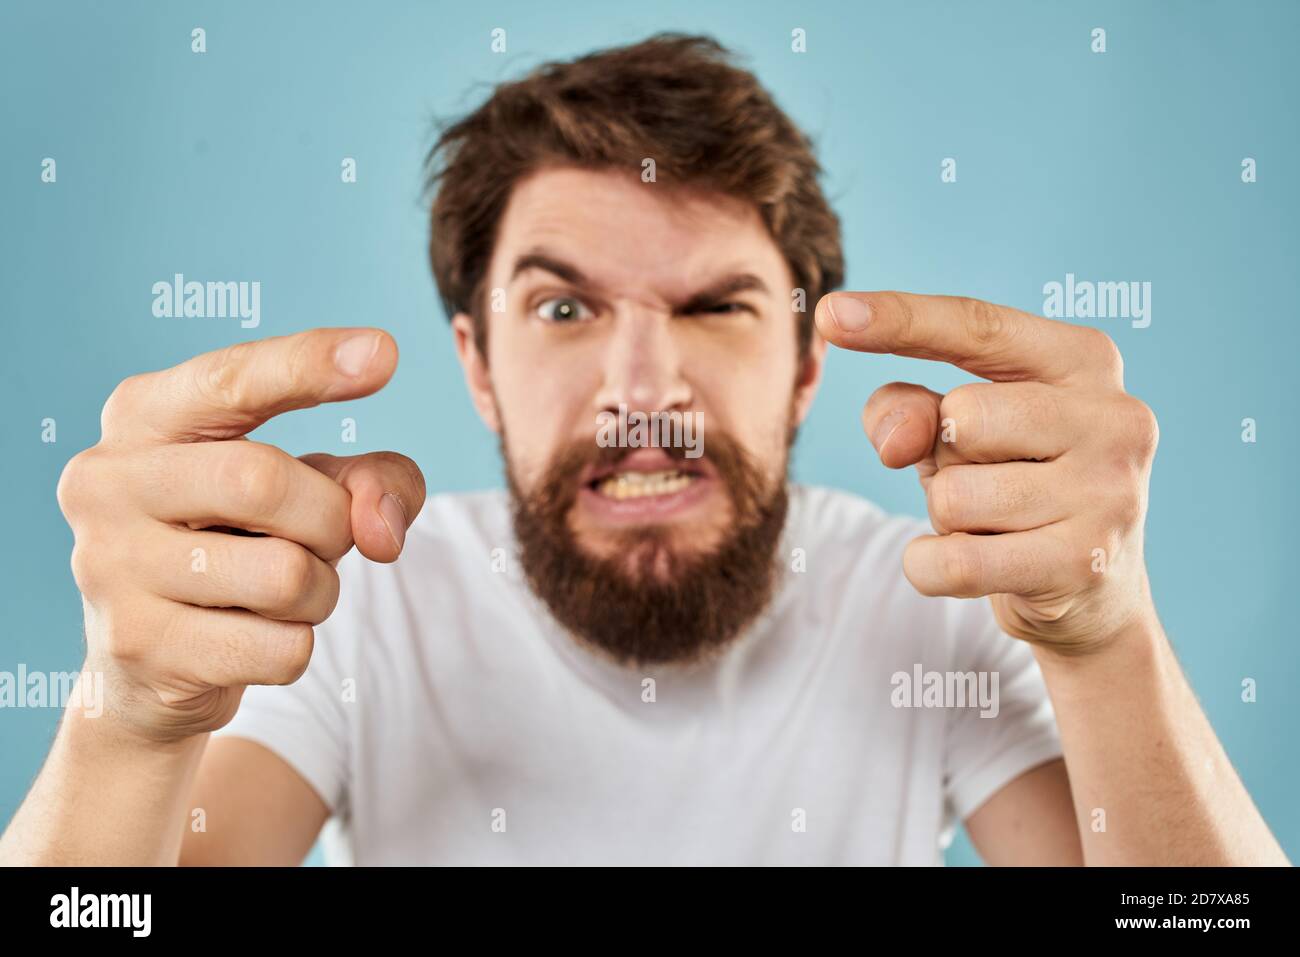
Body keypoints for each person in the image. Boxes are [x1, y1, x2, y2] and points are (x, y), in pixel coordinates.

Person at [0, 34, 1286, 866]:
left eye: (715, 306)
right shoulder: (356, 617)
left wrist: (1107, 638)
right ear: (476, 367)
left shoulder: (931, 610)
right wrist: (132, 726)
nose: (643, 387)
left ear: (803, 368)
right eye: (563, 308)